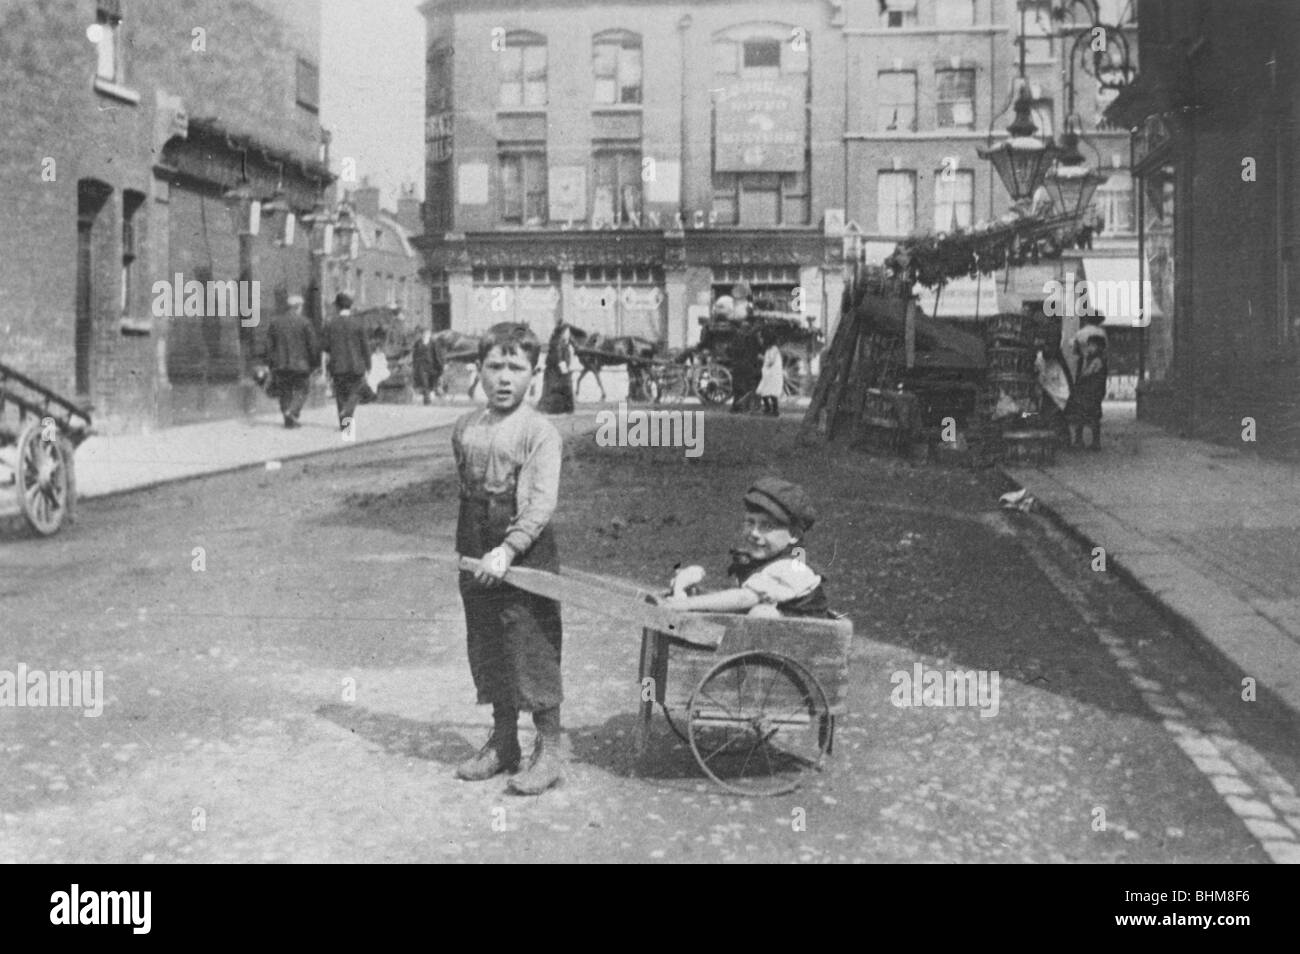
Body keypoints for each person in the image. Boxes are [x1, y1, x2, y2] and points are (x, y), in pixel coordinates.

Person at [452, 322, 566, 795]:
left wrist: (509, 548)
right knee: (488, 638)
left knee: (529, 640)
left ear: (533, 375)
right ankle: (504, 741)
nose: (503, 378)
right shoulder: (465, 427)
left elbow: (540, 501)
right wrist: (477, 548)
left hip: (524, 544)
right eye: (494, 366)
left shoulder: (539, 431)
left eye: (515, 368)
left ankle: (550, 748)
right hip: (474, 538)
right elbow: (467, 487)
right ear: (478, 370)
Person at [660, 477, 829, 618]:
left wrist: (686, 605)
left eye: (767, 526)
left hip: (803, 639)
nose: (754, 533)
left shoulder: (792, 567)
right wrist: (698, 595)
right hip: (777, 634)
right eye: (750, 522)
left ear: (794, 535)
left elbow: (744, 598)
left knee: (762, 613)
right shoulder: (765, 562)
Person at [265, 294, 318, 428]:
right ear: (298, 307)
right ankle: (292, 412)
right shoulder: (305, 322)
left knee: (284, 392)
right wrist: (314, 363)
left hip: (281, 365)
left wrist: (271, 364)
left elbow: (269, 346)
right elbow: (312, 345)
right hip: (301, 365)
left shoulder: (275, 322)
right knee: (303, 389)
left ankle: (288, 421)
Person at [320, 292, 371, 430]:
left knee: (341, 394)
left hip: (338, 365)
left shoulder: (330, 324)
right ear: (351, 306)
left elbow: (324, 345)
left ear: (337, 306)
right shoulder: (358, 323)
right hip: (356, 365)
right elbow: (365, 346)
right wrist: (369, 365)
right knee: (356, 391)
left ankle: (345, 425)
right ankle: (348, 412)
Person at [1064, 316, 1108, 449]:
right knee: (1094, 415)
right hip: (1096, 389)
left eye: (1091, 346)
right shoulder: (1102, 333)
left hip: (1087, 387)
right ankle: (1094, 441)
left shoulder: (1080, 334)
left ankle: (1080, 440)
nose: (1089, 348)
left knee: (1080, 414)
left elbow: (1074, 350)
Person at [538, 323, 575, 414]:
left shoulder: (566, 343)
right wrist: (564, 368)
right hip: (554, 371)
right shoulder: (558, 343)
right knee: (552, 388)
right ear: (562, 333)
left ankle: (563, 408)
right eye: (566, 332)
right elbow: (558, 356)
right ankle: (551, 408)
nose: (568, 334)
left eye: (568, 332)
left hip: (560, 369)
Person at [410, 326, 443, 405]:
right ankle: (427, 400)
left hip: (431, 366)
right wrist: (415, 365)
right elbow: (415, 355)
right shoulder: (418, 343)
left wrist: (440, 365)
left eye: (427, 334)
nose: (425, 335)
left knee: (431, 383)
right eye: (424, 334)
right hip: (421, 366)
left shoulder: (433, 343)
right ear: (422, 334)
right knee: (424, 383)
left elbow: (437, 355)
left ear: (429, 334)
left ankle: (430, 395)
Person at [755, 330, 785, 417]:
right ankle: (768, 408)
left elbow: (771, 361)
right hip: (768, 374)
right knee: (764, 391)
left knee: (771, 392)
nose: (761, 340)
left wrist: (762, 358)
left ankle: (775, 410)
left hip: (773, 375)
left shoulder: (774, 349)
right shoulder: (769, 349)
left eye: (762, 338)